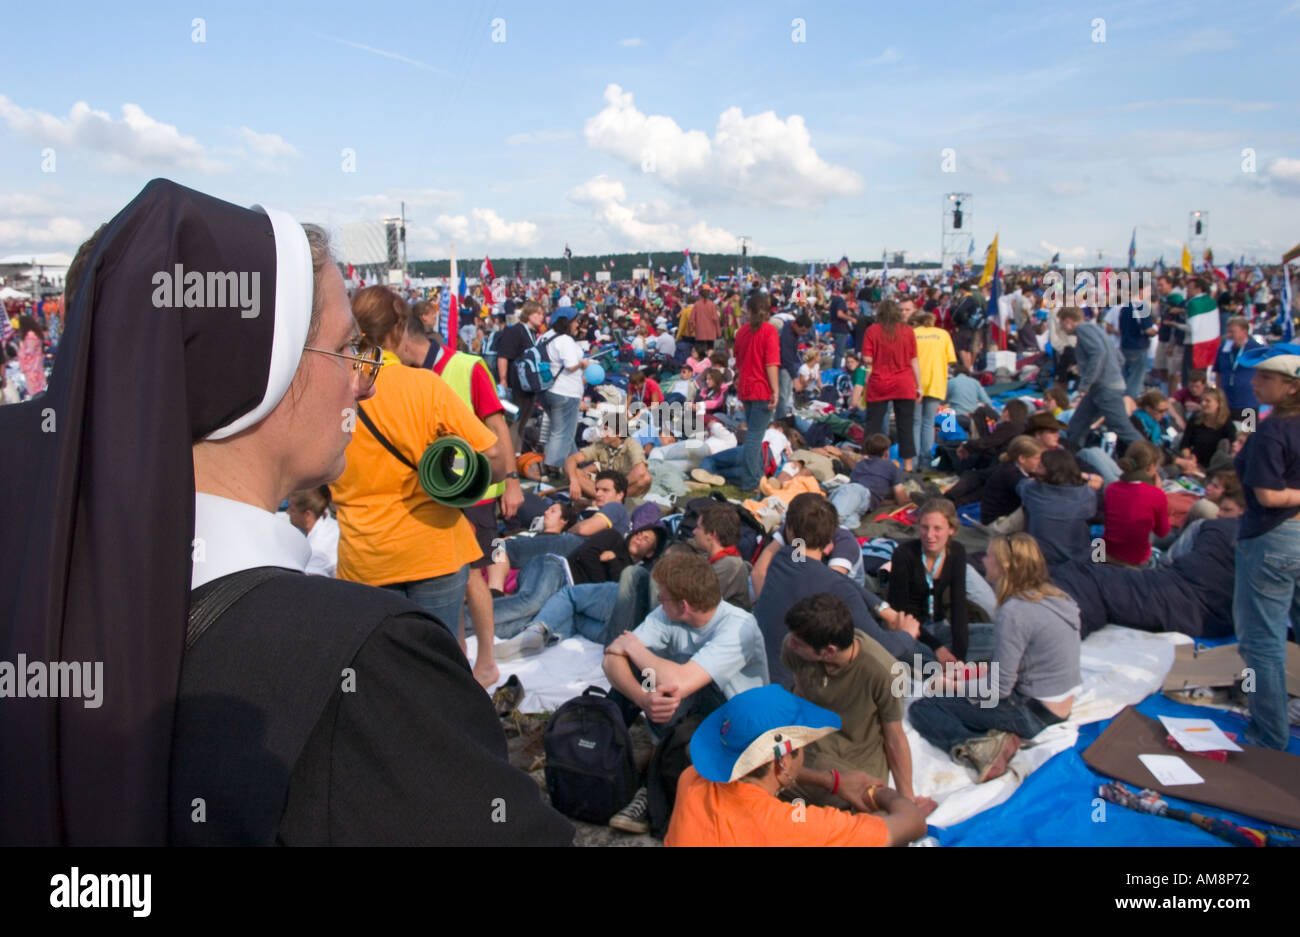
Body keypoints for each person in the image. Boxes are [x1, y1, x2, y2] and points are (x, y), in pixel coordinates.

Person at [0, 179, 571, 845]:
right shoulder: (366, 666)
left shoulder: (36, 581)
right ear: (259, 371)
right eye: (344, 346)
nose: (362, 375)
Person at [333, 286, 509, 649]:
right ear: (399, 328)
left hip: (365, 554)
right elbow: (494, 457)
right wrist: (463, 481)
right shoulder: (424, 385)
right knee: (438, 658)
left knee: (378, 662)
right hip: (434, 548)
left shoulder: (332, 387)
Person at [603, 551, 769, 834]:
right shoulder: (667, 615)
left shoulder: (739, 627)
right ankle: (600, 764)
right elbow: (611, 657)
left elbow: (680, 681)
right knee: (632, 681)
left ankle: (651, 790)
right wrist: (641, 696)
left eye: (663, 597)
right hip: (683, 703)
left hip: (734, 720)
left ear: (684, 605)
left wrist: (636, 649)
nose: (659, 602)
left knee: (673, 684)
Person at [908, 533, 1082, 784]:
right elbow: (1024, 661)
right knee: (969, 679)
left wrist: (950, 685)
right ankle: (993, 735)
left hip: (1032, 712)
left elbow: (998, 689)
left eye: (989, 555)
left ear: (1005, 566)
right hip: (1057, 703)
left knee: (925, 707)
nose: (984, 560)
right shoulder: (1058, 598)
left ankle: (979, 747)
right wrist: (969, 675)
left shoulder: (1014, 612)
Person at [665, 685, 927, 846]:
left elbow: (769, 778)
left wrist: (831, 781)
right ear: (783, 761)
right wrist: (876, 793)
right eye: (802, 750)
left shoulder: (691, 781)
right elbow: (913, 823)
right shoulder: (794, 827)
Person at [783, 593, 933, 811]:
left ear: (829, 651)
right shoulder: (795, 649)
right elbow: (800, 692)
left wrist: (907, 802)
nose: (791, 643)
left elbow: (894, 738)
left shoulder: (884, 672)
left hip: (853, 765)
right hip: (809, 749)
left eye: (798, 642)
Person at [754, 493, 923, 680]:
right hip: (800, 690)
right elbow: (882, 647)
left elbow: (822, 572)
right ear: (830, 540)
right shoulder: (838, 592)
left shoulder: (783, 558)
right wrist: (907, 635)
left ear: (791, 532)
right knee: (914, 658)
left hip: (765, 672)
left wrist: (881, 607)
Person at [1230, 343, 1300, 750]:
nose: (1254, 384)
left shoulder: (1273, 430)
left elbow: (1270, 496)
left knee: (1262, 643)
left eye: (1265, 378)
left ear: (1291, 387)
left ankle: (1268, 735)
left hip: (1272, 538)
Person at [887, 498, 994, 664]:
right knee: (903, 650)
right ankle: (935, 662)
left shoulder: (956, 552)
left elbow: (959, 607)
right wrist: (937, 647)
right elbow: (901, 611)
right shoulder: (904, 554)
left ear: (951, 529)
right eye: (924, 527)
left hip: (940, 627)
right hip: (910, 631)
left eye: (937, 528)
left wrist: (959, 657)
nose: (930, 535)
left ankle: (942, 664)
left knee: (997, 635)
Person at [1058, 306, 1142, 451]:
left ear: (1068, 321)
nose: (1061, 328)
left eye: (1061, 323)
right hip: (1103, 386)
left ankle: (1153, 459)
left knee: (1123, 428)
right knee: (1077, 425)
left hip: (1104, 388)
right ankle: (1072, 455)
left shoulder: (1083, 330)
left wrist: (1085, 383)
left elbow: (1098, 354)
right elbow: (1119, 358)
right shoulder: (1097, 329)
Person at [862, 299, 921, 471]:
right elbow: (914, 360)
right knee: (906, 426)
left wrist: (868, 372)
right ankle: (908, 466)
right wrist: (919, 386)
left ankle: (867, 459)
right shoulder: (908, 331)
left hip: (879, 382)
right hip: (904, 383)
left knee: (872, 424)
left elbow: (867, 359)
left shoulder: (872, 331)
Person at [1018, 449, 1104, 566]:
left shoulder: (1032, 490)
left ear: (1051, 471)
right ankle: (1100, 567)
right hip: (1079, 559)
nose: (1036, 468)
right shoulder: (1088, 494)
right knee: (1098, 536)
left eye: (1041, 466)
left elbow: (1021, 485)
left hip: (1041, 559)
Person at [733, 292, 781, 491]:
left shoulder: (742, 332)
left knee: (753, 435)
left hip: (746, 386)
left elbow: (738, 361)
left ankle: (753, 475)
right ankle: (751, 480)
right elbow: (771, 363)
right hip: (761, 387)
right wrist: (776, 390)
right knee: (754, 436)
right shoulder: (769, 331)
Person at [1102, 440, 1170, 568]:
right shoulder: (1156, 495)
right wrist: (1158, 492)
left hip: (1105, 553)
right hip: (1135, 560)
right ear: (1151, 467)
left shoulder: (1111, 488)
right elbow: (1162, 532)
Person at [539, 307, 589, 474]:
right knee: (561, 433)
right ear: (567, 322)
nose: (578, 325)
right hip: (565, 391)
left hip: (547, 389)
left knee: (564, 433)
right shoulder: (565, 340)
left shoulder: (545, 337)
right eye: (576, 321)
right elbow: (571, 365)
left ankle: (574, 463)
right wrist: (584, 363)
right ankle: (552, 468)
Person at [493, 300, 546, 453]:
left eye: (542, 314)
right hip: (515, 383)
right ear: (528, 314)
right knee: (514, 421)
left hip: (529, 386)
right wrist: (503, 379)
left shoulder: (534, 334)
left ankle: (516, 453)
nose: (541, 317)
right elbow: (503, 356)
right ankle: (508, 453)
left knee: (523, 421)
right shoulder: (516, 330)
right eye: (537, 313)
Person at [828, 432, 908, 530]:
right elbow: (901, 499)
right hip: (863, 502)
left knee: (837, 512)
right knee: (850, 519)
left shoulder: (861, 464)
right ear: (887, 453)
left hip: (856, 492)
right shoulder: (891, 467)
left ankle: (828, 523)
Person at [912, 310, 957, 466]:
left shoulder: (912, 333)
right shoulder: (943, 335)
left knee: (915, 422)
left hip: (915, 383)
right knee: (928, 423)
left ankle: (913, 461)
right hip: (936, 381)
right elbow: (950, 359)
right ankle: (926, 460)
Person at [692, 503, 754, 610]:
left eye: (698, 527)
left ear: (712, 535)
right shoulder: (721, 559)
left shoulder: (729, 564)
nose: (694, 531)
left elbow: (696, 601)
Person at [978, 435, 1045, 527]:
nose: (1040, 462)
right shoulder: (1010, 473)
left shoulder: (1019, 469)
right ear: (1022, 459)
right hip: (997, 522)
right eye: (1037, 458)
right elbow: (1027, 491)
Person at [1214, 316, 1267, 420]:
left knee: (1247, 433)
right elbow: (1218, 372)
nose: (1229, 335)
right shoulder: (1223, 349)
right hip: (1226, 403)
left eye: (1232, 332)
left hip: (1248, 403)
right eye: (1228, 332)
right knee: (1228, 434)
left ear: (1244, 332)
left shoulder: (1256, 349)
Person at [1175, 386, 1235, 475]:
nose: (1203, 403)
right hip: (1194, 464)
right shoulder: (1195, 419)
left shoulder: (1227, 425)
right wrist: (1188, 458)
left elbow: (1233, 450)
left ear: (1218, 403)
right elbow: (1185, 444)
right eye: (1202, 400)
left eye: (1208, 401)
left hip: (1216, 469)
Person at [287, 486, 339, 578]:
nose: (287, 512)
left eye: (292, 509)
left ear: (307, 515)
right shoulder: (329, 524)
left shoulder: (317, 548)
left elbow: (309, 585)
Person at [777, 313, 812, 419]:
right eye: (802, 331)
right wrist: (795, 378)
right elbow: (786, 358)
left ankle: (780, 417)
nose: (803, 334)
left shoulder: (791, 328)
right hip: (784, 367)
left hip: (788, 365)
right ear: (797, 325)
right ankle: (780, 420)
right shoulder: (788, 335)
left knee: (786, 395)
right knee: (783, 395)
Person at [1119, 301, 1157, 398]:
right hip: (1138, 347)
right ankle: (1130, 402)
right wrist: (1156, 331)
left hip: (1125, 346)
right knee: (1136, 379)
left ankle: (1123, 400)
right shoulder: (1141, 306)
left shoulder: (1124, 307)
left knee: (1125, 377)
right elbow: (1148, 330)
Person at [16, 315, 46, 397]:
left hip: (32, 367)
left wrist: (21, 350)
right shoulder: (32, 333)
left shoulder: (31, 335)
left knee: (37, 391)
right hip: (33, 366)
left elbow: (30, 351)